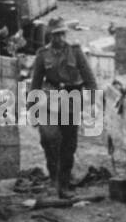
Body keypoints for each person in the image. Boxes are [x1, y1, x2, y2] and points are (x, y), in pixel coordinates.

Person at [29, 16, 97, 198]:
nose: (58, 39)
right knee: (48, 139)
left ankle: (64, 184)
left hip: (71, 98)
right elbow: (35, 84)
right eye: (55, 35)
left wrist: (89, 104)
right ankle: (53, 180)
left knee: (69, 144)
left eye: (61, 34)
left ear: (65, 34)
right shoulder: (43, 54)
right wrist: (32, 109)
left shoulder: (75, 52)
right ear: (49, 35)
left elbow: (90, 81)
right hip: (49, 99)